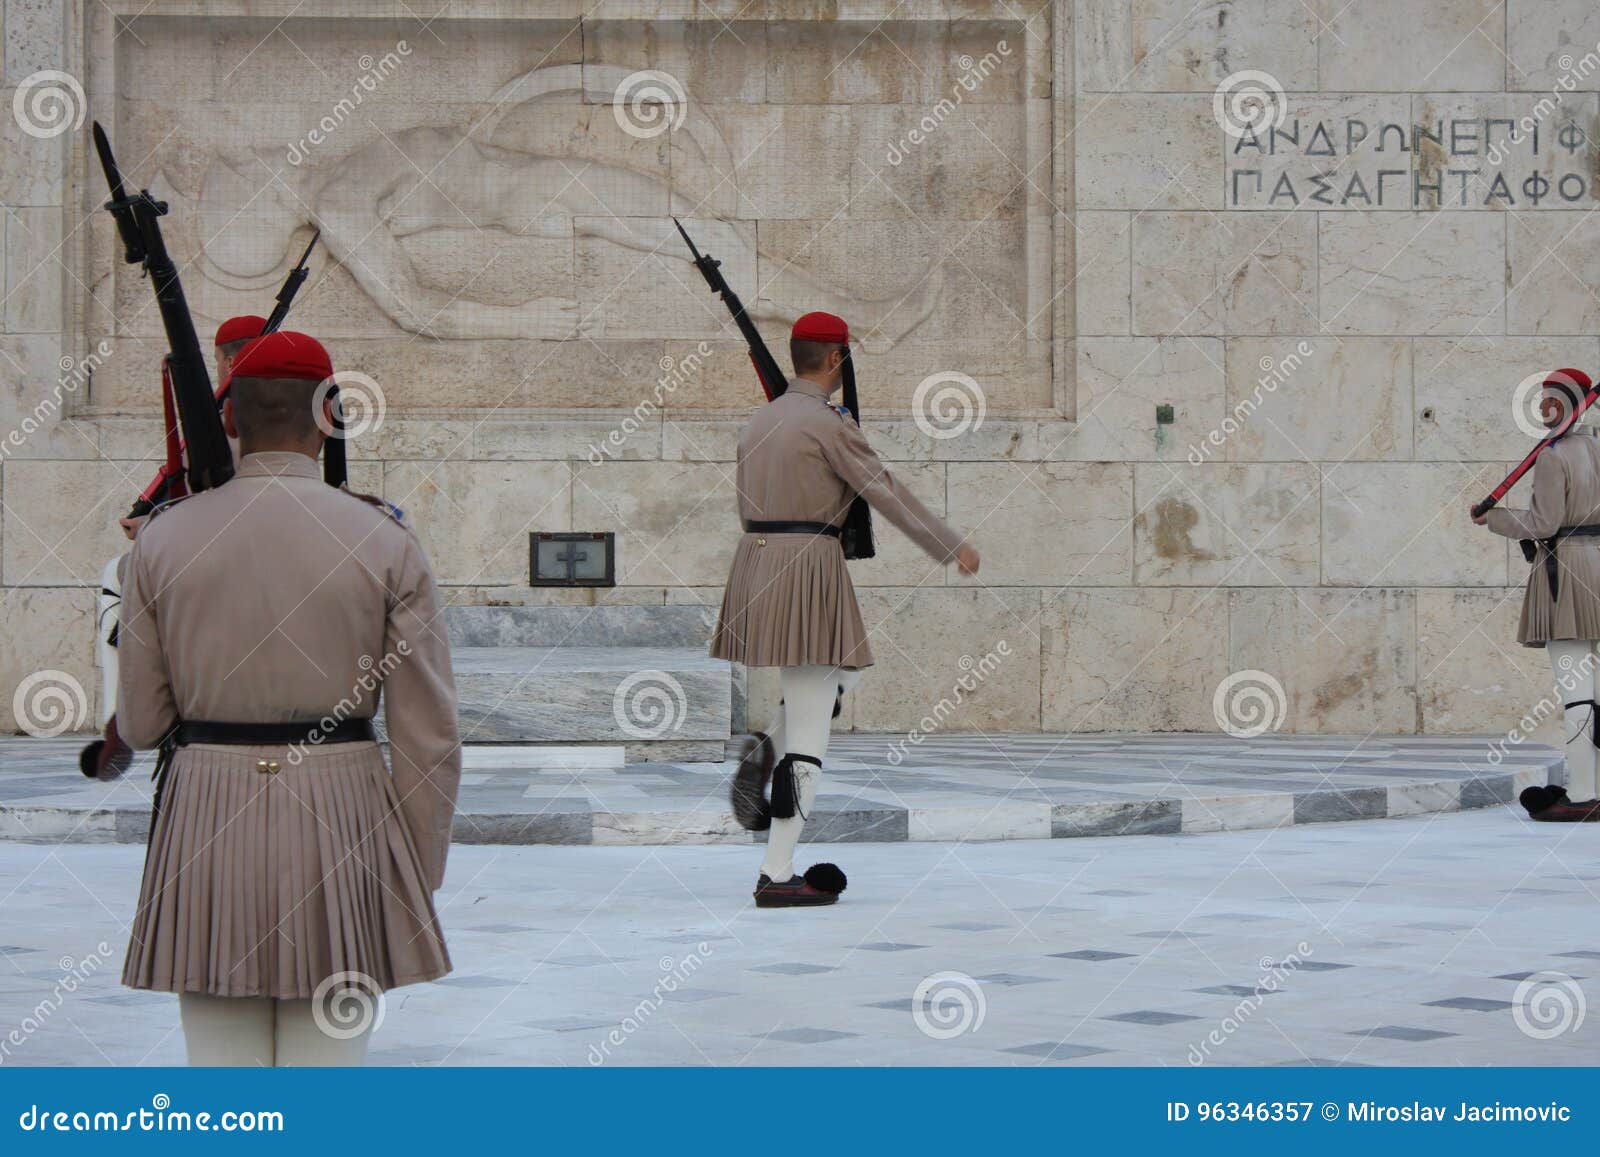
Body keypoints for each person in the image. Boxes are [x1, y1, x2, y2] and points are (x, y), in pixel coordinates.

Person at [117, 330, 461, 1065]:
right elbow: (428, 736)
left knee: (226, 1090)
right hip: (345, 816)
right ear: (328, 416)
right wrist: (413, 870)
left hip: (208, 814)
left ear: (232, 419)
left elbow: (143, 723)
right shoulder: (385, 539)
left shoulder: (161, 541)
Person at [711, 311, 980, 907]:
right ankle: (777, 874)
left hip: (756, 561)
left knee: (832, 681)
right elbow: (884, 490)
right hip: (808, 565)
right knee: (813, 732)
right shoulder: (829, 424)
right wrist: (950, 544)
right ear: (835, 360)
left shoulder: (759, 421)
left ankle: (768, 744)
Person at [84, 316, 270, 780]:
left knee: (119, 575)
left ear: (227, 359)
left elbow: (222, 505)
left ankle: (122, 715)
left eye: (218, 360)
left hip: (231, 555)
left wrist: (152, 524)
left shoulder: (231, 419)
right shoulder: (282, 408)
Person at [1474, 368, 1600, 821]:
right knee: (1596, 692)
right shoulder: (1597, 446)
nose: (1544, 408)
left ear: (1571, 406)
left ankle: (1584, 794)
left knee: (1577, 693)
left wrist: (1495, 519)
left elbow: (1543, 524)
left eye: (1553, 401)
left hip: (1566, 575)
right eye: (1543, 400)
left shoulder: (1554, 457)